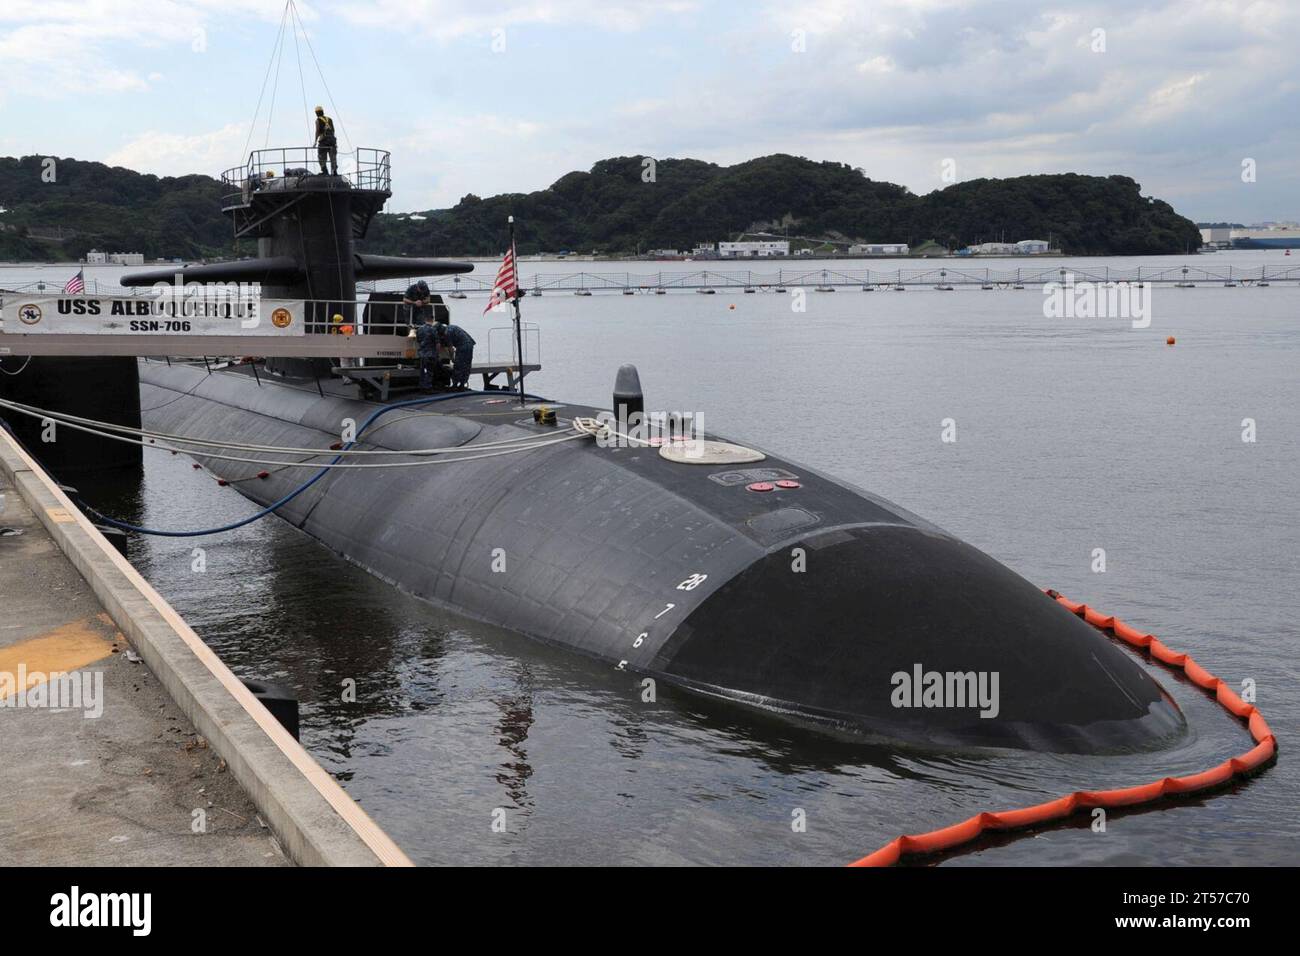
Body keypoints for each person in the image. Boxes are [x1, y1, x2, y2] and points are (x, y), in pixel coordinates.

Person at [438, 321, 477, 389]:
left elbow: (451, 349)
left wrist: (452, 359)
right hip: (470, 344)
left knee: (458, 365)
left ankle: (455, 385)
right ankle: (462, 384)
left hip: (463, 346)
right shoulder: (450, 327)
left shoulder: (447, 333)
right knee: (466, 365)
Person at [415, 315, 448, 391]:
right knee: (429, 372)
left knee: (422, 371)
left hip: (422, 354)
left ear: (425, 319)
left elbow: (418, 341)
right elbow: (438, 344)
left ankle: (422, 387)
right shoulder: (433, 329)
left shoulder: (419, 329)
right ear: (432, 320)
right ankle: (428, 388)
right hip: (431, 354)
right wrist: (437, 353)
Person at [314, 106, 338, 175]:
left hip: (323, 140)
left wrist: (315, 141)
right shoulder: (329, 119)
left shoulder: (318, 120)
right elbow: (333, 130)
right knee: (333, 156)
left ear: (316, 113)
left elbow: (317, 131)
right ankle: (334, 171)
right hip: (332, 140)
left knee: (321, 155)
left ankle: (325, 171)